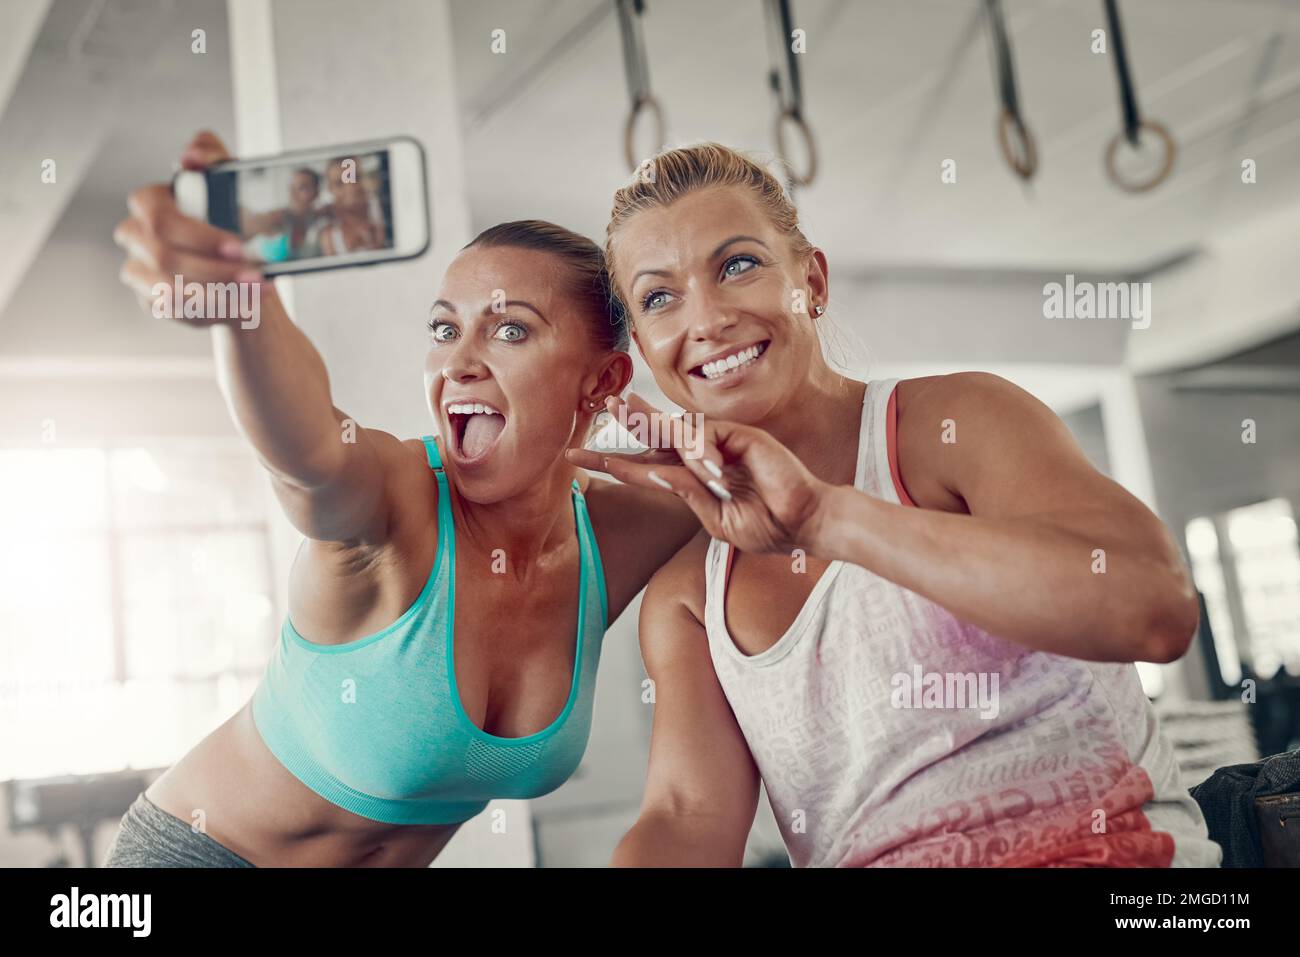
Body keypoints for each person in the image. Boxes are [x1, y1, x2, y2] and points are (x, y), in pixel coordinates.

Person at [573, 142, 1222, 867]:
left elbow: (1153, 607)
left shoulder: (956, 425)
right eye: (659, 297)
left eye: (738, 265)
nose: (708, 318)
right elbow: (687, 814)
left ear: (810, 282)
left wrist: (830, 519)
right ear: (643, 345)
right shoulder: (689, 589)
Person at [105, 131, 696, 866]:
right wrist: (243, 305)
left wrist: (700, 437)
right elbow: (307, 454)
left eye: (509, 329)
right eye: (445, 329)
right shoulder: (390, 504)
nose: (458, 361)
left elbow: (790, 461)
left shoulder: (621, 531)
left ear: (604, 381)